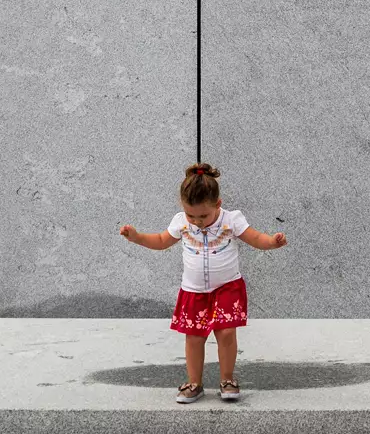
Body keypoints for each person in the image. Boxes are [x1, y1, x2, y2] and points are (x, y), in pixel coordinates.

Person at [119, 161, 287, 403]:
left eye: (203, 216)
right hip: (194, 291)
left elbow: (256, 238)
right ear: (182, 208)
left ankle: (227, 379)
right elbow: (160, 240)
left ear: (218, 205)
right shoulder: (181, 221)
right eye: (191, 215)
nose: (196, 221)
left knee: (226, 332)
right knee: (194, 337)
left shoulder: (232, 220)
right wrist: (136, 237)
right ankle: (194, 382)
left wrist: (272, 242)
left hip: (227, 287)